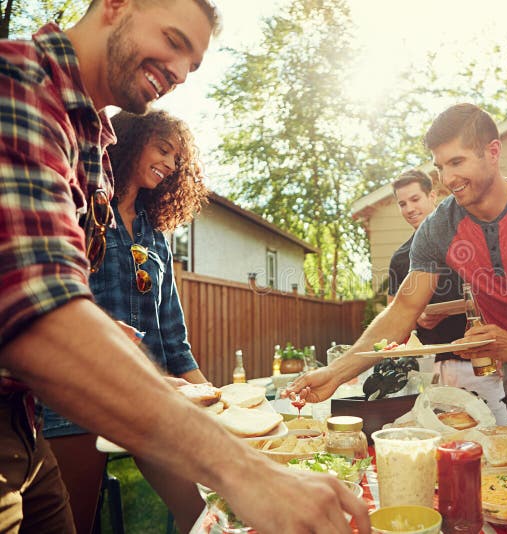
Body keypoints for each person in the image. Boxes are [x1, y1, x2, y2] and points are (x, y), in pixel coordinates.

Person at [0, 1, 369, 533]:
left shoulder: (92, 143)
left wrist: (144, 363)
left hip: (27, 420)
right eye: (174, 41)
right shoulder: (19, 84)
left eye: (191, 65)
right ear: (116, 5)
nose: (178, 73)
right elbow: (41, 318)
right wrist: (248, 474)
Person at [290, 103, 507, 487]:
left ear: (493, 152)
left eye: (457, 162)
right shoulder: (439, 228)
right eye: (440, 166)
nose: (447, 178)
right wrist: (335, 373)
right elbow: (402, 310)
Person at [41, 109, 211, 533]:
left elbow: (173, 338)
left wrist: (212, 397)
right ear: (130, 142)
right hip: (76, 397)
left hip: (148, 396)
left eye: (177, 159)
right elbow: (59, 304)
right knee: (72, 524)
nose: (170, 164)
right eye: (163, 150)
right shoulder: (83, 210)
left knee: (203, 512)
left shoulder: (156, 237)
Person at [388, 169, 507, 424]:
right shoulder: (399, 259)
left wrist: (502, 350)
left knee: (494, 430)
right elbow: (394, 319)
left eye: (415, 199)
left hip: (478, 361)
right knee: (439, 438)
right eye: (402, 203)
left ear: (432, 196)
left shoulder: (467, 240)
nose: (409, 208)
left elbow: (500, 296)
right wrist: (417, 318)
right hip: (430, 370)